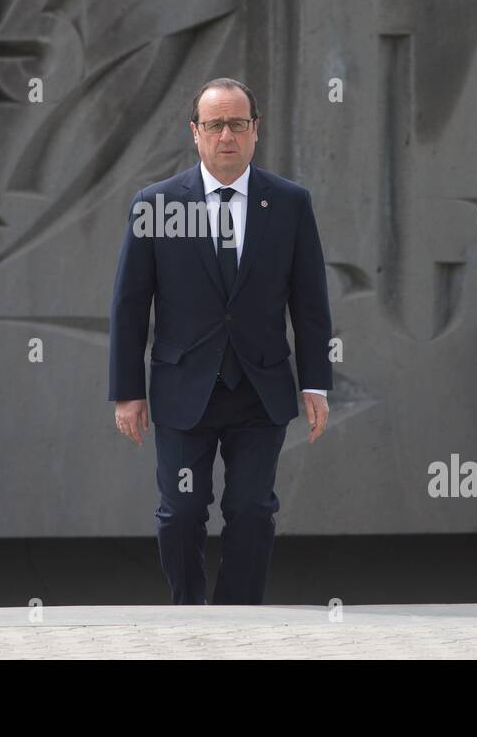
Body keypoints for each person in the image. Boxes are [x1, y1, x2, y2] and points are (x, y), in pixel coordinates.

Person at [107, 77, 333, 605]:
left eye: (238, 123)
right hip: (184, 389)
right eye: (215, 124)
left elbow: (310, 303)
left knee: (252, 509)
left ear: (255, 130)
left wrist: (317, 383)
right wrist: (127, 391)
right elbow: (129, 304)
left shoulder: (290, 204)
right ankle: (189, 610)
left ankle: (238, 618)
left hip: (261, 389)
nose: (226, 135)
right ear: (196, 132)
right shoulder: (156, 204)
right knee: (182, 513)